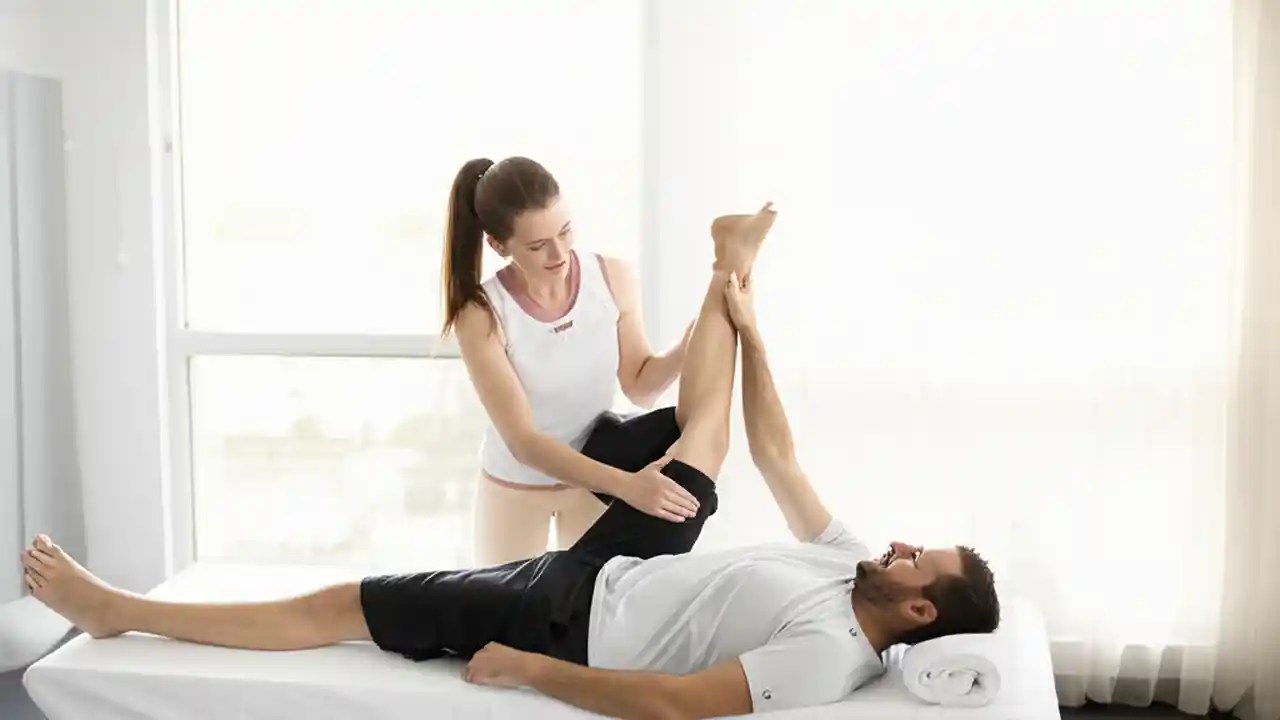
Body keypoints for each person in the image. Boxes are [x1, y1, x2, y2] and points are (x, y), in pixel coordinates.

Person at [20, 207, 1001, 718]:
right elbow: (774, 450)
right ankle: (729, 267)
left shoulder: (828, 655)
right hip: (627, 570)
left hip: (566, 614)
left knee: (345, 606)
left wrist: (533, 668)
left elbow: (670, 703)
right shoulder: (848, 563)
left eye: (923, 563)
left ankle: (122, 613)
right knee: (701, 445)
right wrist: (748, 322)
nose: (903, 546)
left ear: (916, 613)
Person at [443, 156, 699, 564]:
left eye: (565, 231)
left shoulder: (612, 277)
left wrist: (686, 350)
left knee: (589, 616)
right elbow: (524, 442)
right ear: (498, 245)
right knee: (499, 625)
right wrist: (629, 486)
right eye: (537, 245)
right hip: (516, 487)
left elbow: (639, 384)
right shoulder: (482, 314)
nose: (558, 253)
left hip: (595, 482)